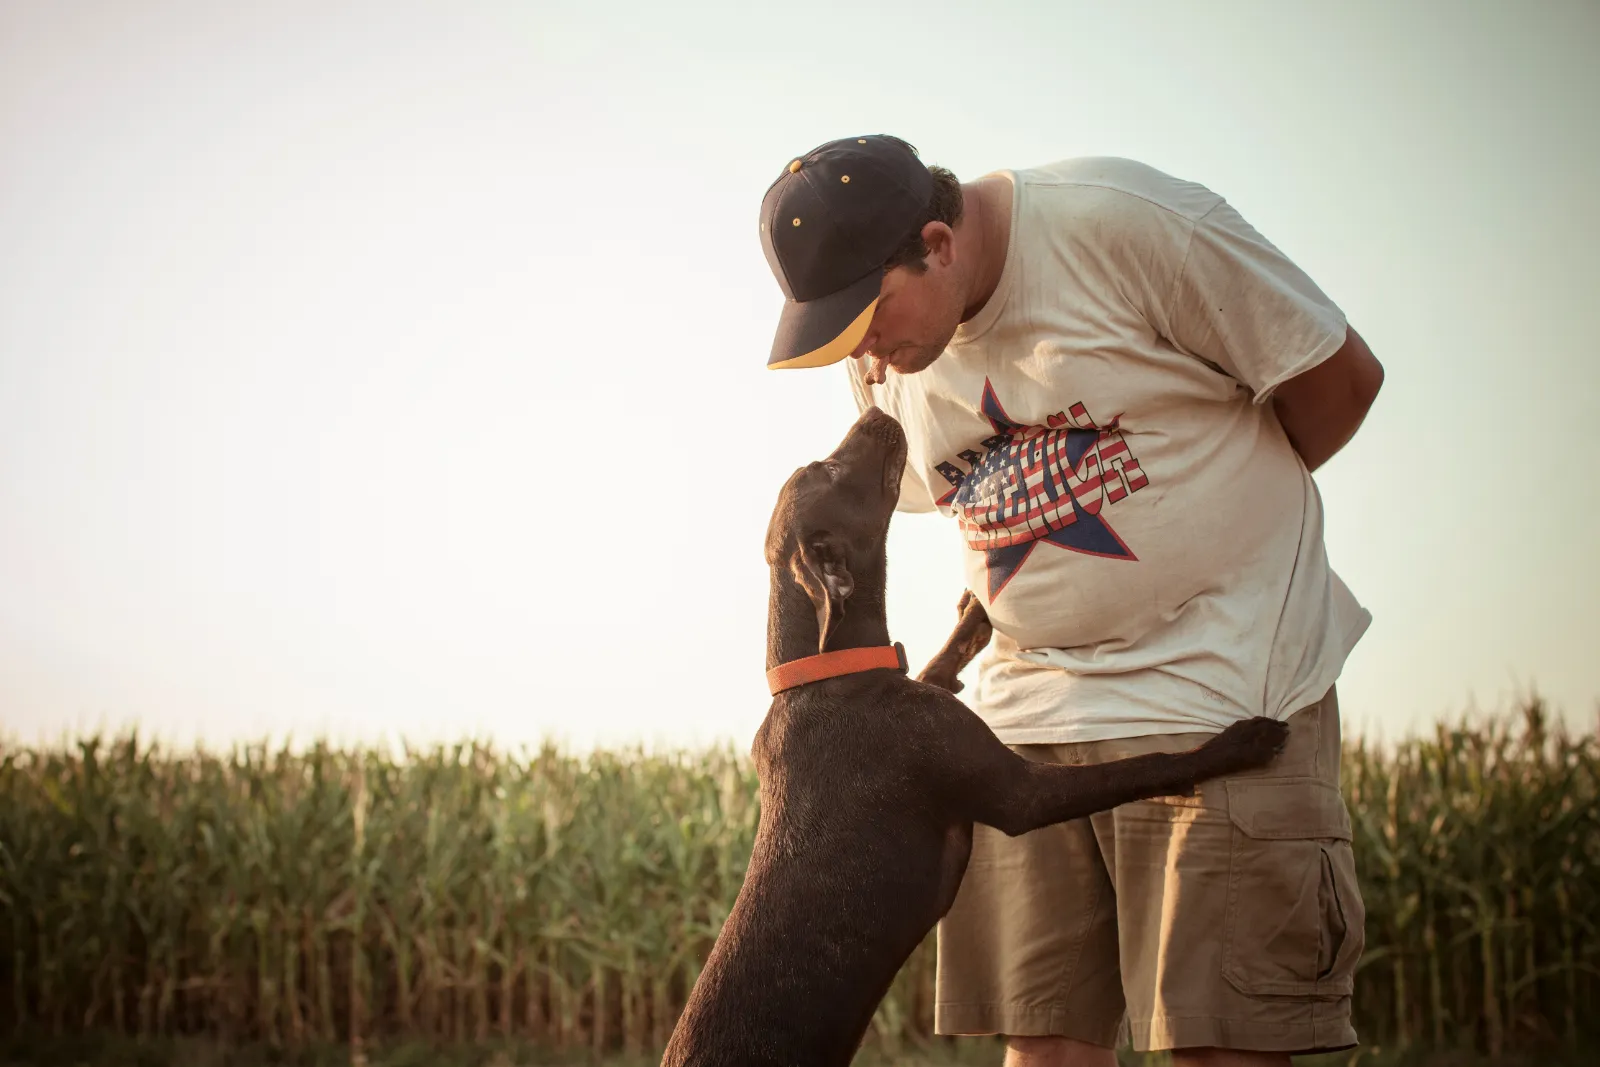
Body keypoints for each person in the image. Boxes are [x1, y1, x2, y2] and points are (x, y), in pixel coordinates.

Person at [755, 135, 1383, 1067]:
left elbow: (1339, 380)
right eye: (843, 334)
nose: (869, 356)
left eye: (871, 316)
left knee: (1224, 1047)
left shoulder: (1124, 226)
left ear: (937, 241)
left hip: (1220, 691)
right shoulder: (891, 351)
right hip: (1026, 722)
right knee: (1044, 1048)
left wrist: (1214, 533)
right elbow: (949, 491)